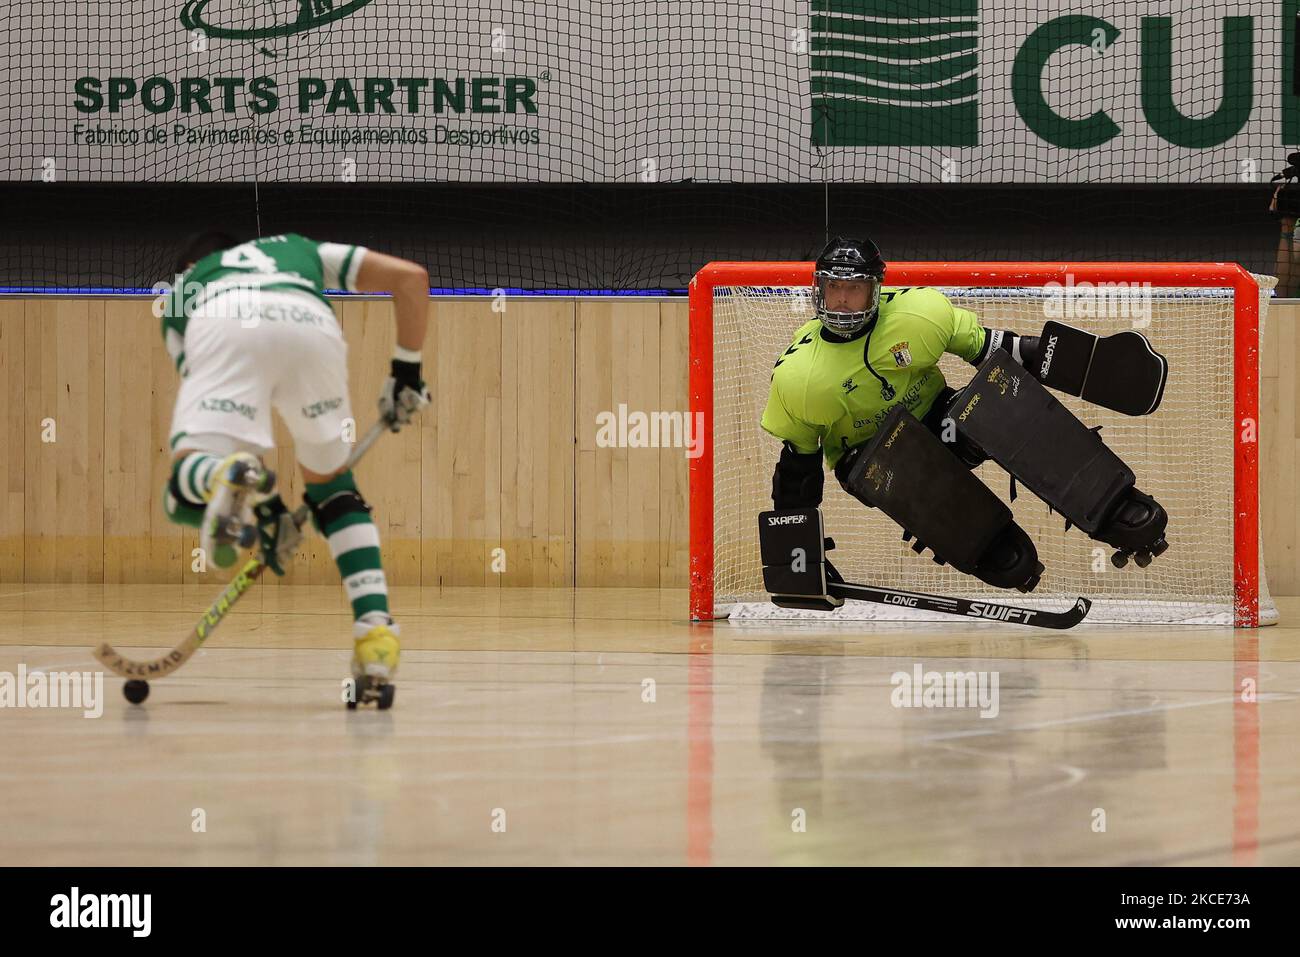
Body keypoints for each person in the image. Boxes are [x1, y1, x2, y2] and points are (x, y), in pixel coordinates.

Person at [159, 231, 430, 703]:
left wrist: (266, 511)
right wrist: (407, 372)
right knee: (334, 491)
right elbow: (411, 278)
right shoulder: (300, 250)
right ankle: (376, 638)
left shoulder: (182, 294)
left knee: (186, 488)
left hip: (223, 325)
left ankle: (218, 479)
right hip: (310, 325)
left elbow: (234, 429)